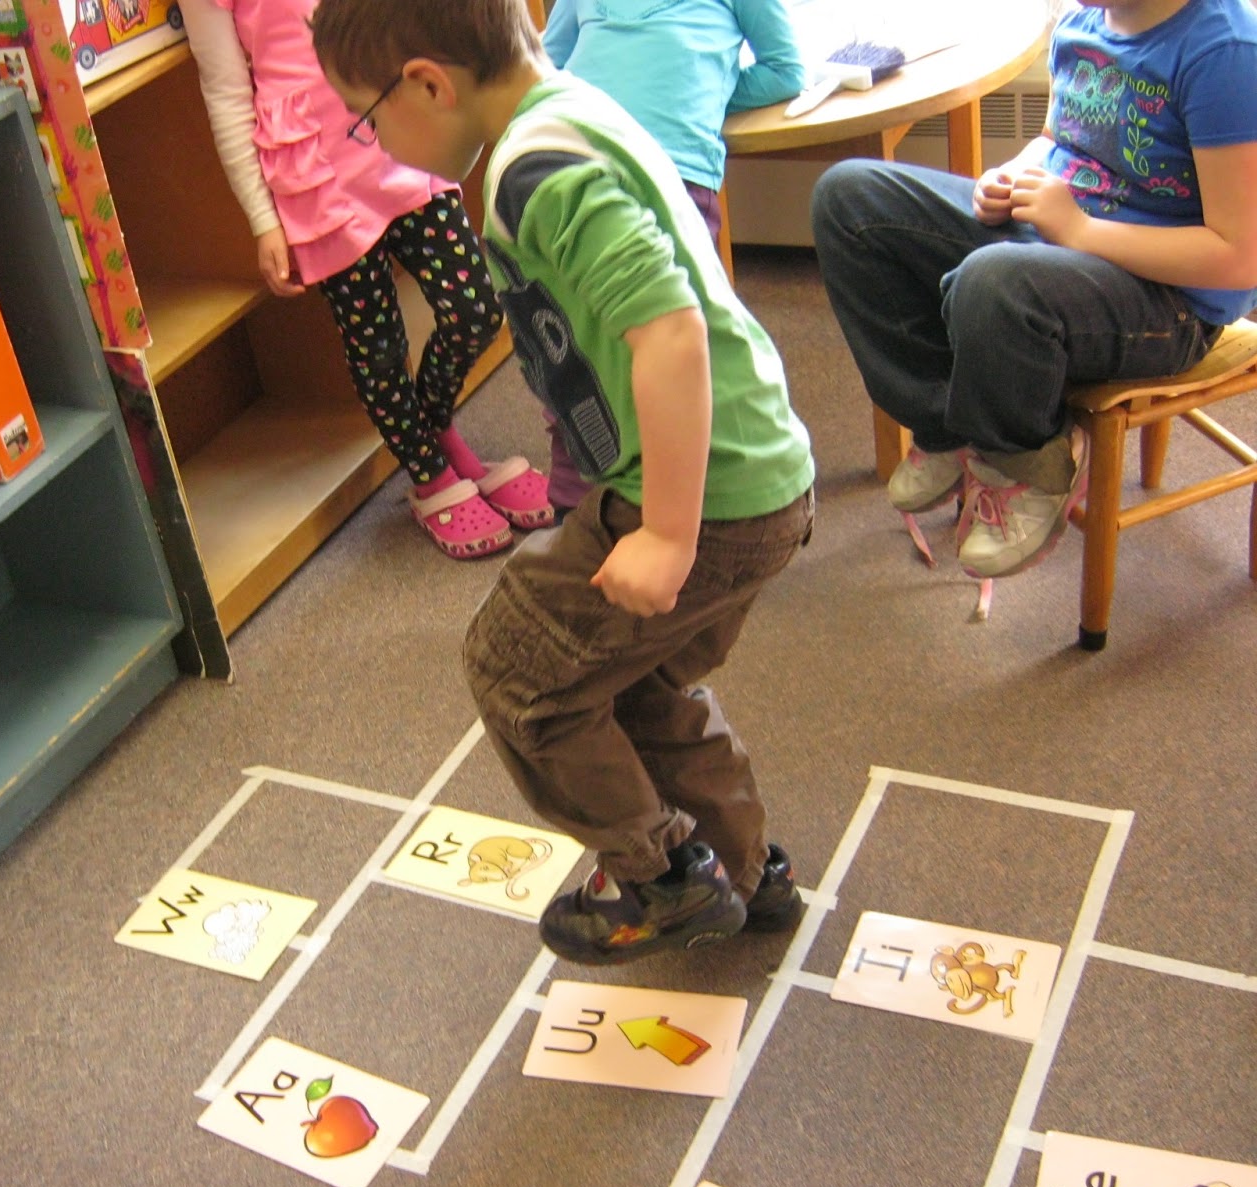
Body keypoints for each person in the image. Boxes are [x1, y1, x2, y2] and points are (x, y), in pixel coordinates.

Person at [312, 0, 817, 965]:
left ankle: (662, 879)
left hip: (702, 498)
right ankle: (747, 874)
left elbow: (671, 333)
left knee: (516, 668)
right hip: (753, 479)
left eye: (366, 118)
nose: (370, 141)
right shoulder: (572, 106)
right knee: (635, 683)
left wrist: (666, 533)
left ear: (428, 83)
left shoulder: (536, 173)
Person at [811, 0, 1257, 580]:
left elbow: (1240, 257)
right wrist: (1007, 176)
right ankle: (950, 427)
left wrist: (1082, 231)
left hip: (1169, 302)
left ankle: (1029, 463)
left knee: (992, 284)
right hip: (1062, 238)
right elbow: (1057, 139)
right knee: (848, 199)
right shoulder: (1085, 18)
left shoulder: (1224, 54)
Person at [180, 0, 554, 561]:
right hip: (317, 175)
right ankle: (430, 473)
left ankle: (433, 429)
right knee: (377, 349)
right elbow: (226, 92)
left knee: (475, 307)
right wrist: (263, 220)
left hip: (399, 129)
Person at [539, 0, 806, 516]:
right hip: (575, 166)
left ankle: (678, 502)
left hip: (670, 177)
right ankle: (576, 499)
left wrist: (708, 91)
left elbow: (785, 70)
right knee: (573, 336)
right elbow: (546, 68)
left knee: (669, 342)